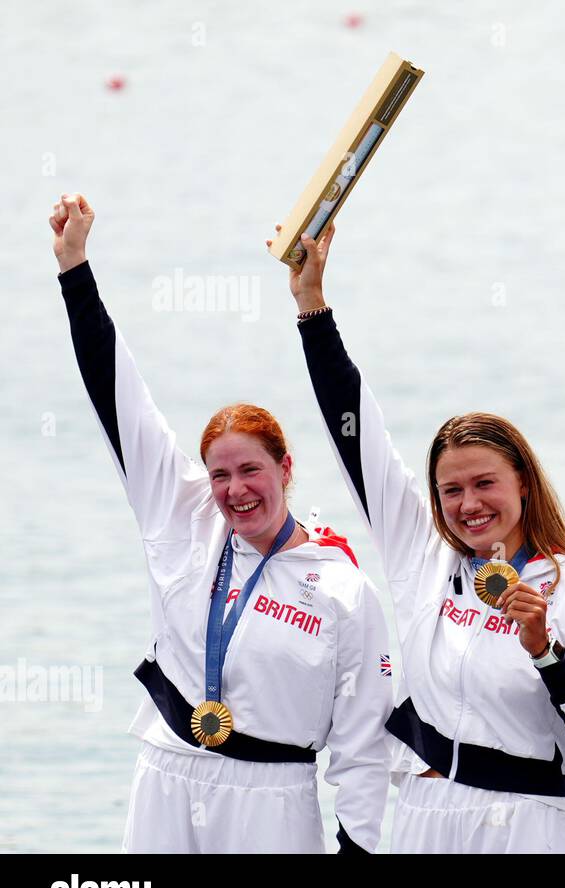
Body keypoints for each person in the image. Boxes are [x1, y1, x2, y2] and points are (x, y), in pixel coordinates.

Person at [272, 222, 565, 853]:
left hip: (531, 824)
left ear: (523, 482)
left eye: (485, 484)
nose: (469, 505)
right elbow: (355, 434)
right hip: (426, 813)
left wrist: (549, 654)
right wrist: (312, 304)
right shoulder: (422, 554)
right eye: (452, 491)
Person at [50, 194, 392, 853]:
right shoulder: (182, 513)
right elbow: (119, 394)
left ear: (285, 468)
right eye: (220, 475)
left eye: (251, 471)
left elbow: (363, 743)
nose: (235, 492)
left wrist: (359, 845)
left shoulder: (343, 590)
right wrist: (74, 269)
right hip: (166, 775)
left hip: (273, 801)